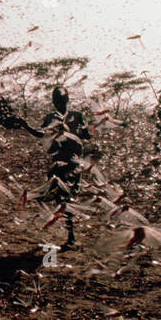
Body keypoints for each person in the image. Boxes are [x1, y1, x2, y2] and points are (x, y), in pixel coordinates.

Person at [34, 87, 93, 248]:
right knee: (62, 197)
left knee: (69, 197)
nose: (57, 103)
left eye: (60, 100)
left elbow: (87, 136)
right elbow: (41, 132)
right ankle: (69, 234)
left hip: (73, 162)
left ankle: (69, 233)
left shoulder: (77, 116)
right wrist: (27, 127)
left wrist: (83, 131)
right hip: (58, 162)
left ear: (67, 100)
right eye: (56, 100)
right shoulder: (50, 117)